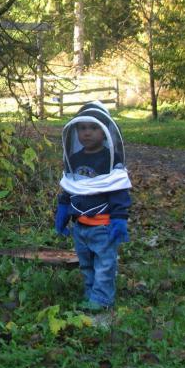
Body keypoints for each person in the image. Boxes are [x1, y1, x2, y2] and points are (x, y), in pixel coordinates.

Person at [55, 101, 131, 311]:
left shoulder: (110, 158)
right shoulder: (75, 158)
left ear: (105, 130)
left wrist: (119, 219)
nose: (87, 133)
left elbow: (118, 190)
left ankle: (101, 300)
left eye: (94, 127)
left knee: (105, 265)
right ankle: (90, 295)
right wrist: (63, 210)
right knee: (86, 264)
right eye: (82, 128)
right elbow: (70, 187)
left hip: (103, 226)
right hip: (80, 226)